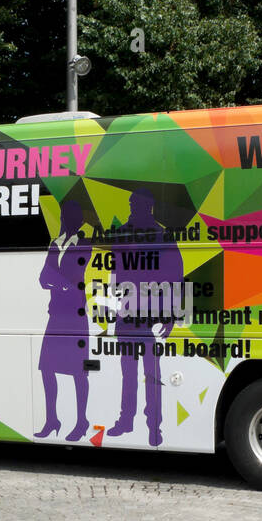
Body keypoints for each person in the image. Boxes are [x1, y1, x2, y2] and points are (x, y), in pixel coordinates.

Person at [108, 188, 183, 447]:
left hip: (153, 316)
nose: (132, 207)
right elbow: (114, 275)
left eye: (136, 204)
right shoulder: (121, 234)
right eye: (130, 203)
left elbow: (176, 276)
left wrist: (172, 316)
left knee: (152, 374)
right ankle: (126, 420)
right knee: (128, 373)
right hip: (126, 315)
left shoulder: (163, 236)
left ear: (148, 207)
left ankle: (154, 427)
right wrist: (112, 307)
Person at [34, 201, 92, 441]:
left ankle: (81, 421)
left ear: (79, 219)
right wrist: (62, 284)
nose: (69, 219)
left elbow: (75, 276)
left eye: (74, 215)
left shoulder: (85, 243)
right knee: (46, 368)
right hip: (56, 313)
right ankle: (52, 419)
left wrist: (57, 282)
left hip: (75, 315)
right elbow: (42, 278)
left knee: (79, 372)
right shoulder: (55, 244)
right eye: (66, 215)